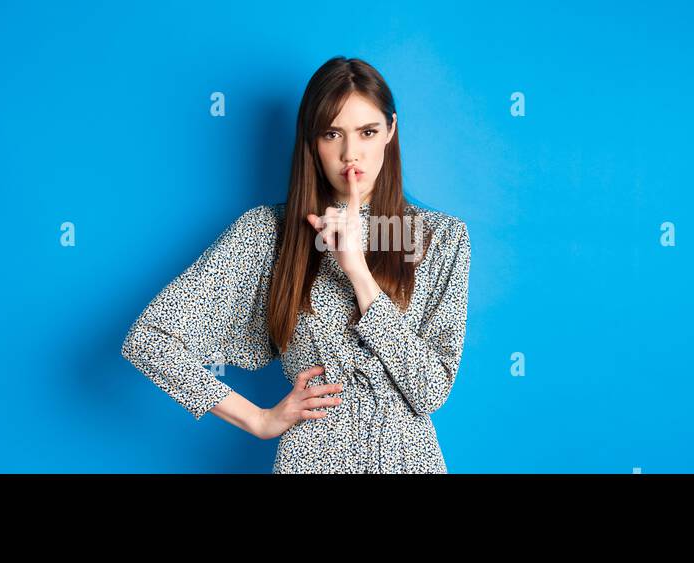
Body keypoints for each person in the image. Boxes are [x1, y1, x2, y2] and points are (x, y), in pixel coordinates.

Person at [121, 56, 471, 473]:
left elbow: (430, 389)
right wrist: (258, 418)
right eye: (332, 133)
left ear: (390, 132)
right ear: (312, 141)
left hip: (409, 460)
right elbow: (151, 340)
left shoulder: (441, 238)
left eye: (367, 132)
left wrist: (358, 271)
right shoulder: (269, 233)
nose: (350, 153)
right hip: (313, 458)